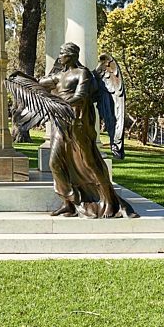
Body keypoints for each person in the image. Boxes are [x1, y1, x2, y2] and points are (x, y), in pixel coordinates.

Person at [38, 42, 137, 219]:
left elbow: (80, 97)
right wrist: (21, 78)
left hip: (78, 125)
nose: (60, 57)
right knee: (55, 162)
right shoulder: (59, 75)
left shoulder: (82, 74)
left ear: (72, 55)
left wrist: (58, 104)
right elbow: (40, 83)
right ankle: (69, 202)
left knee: (90, 163)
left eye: (63, 54)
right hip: (60, 124)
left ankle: (108, 200)